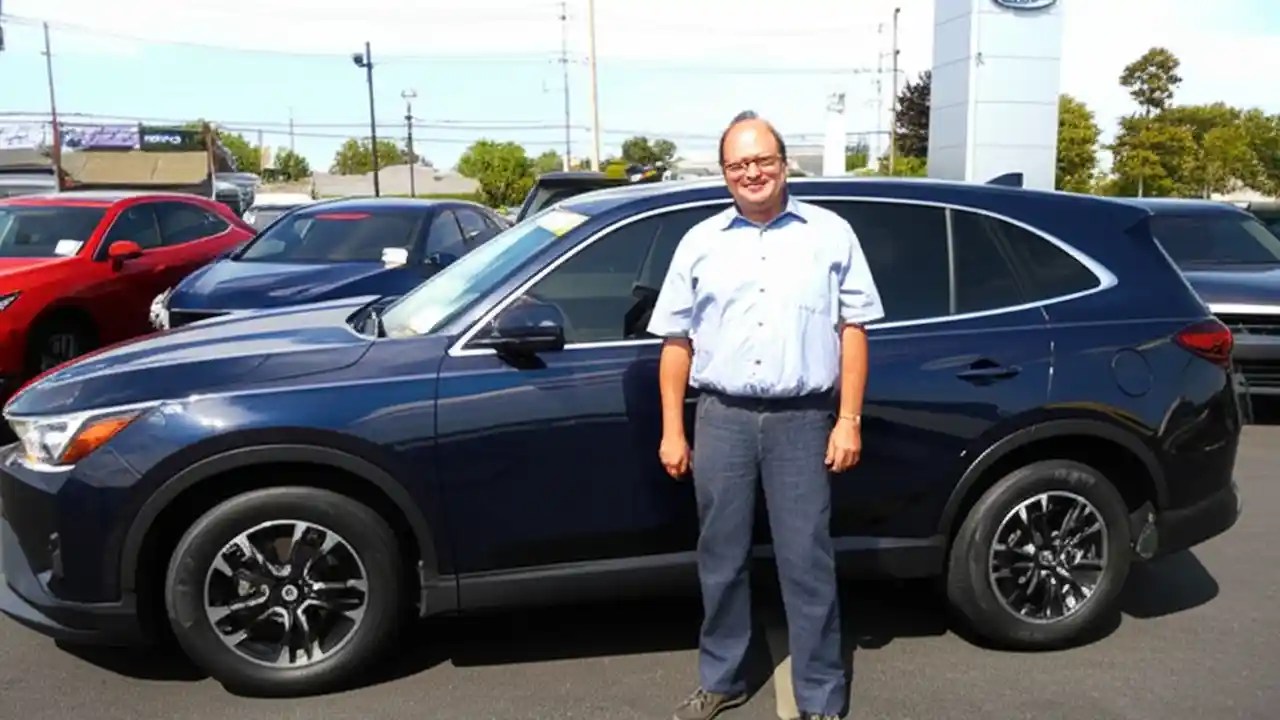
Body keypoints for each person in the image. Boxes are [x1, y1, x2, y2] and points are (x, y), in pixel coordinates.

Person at [647, 111, 884, 720]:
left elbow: (852, 330)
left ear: (784, 164)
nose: (751, 172)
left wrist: (848, 419)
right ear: (724, 172)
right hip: (721, 416)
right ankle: (722, 677)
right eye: (737, 164)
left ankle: (822, 695)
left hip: (802, 420)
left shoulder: (830, 235)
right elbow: (676, 341)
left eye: (762, 160)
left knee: (806, 561)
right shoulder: (700, 242)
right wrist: (674, 428)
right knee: (719, 557)